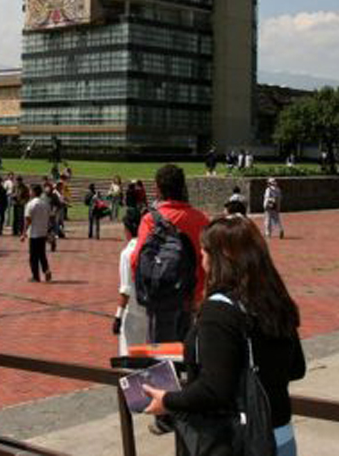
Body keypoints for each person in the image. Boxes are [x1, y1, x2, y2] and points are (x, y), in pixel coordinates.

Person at [142, 215, 306, 456]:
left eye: (206, 253)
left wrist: (167, 400)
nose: (202, 259)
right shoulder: (275, 301)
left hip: (240, 442)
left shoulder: (218, 311)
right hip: (281, 436)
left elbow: (214, 390)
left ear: (224, 257)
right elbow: (296, 368)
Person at [131, 164, 209, 344]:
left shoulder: (151, 220)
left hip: (160, 297)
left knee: (161, 360)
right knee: (187, 354)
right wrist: (199, 294)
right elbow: (207, 260)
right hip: (190, 296)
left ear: (158, 189)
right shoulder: (201, 219)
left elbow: (137, 260)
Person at [114, 211, 147, 354]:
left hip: (133, 312)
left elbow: (125, 289)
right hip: (149, 311)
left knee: (129, 357)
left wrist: (118, 316)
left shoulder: (127, 253)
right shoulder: (147, 248)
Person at [21, 184, 52, 282]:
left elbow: (28, 220)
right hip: (42, 232)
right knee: (42, 254)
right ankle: (46, 270)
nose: (29, 193)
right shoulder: (45, 203)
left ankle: (36, 276)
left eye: (30, 191)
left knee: (33, 256)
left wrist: (24, 232)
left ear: (33, 192)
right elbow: (48, 218)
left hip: (34, 233)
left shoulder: (30, 204)